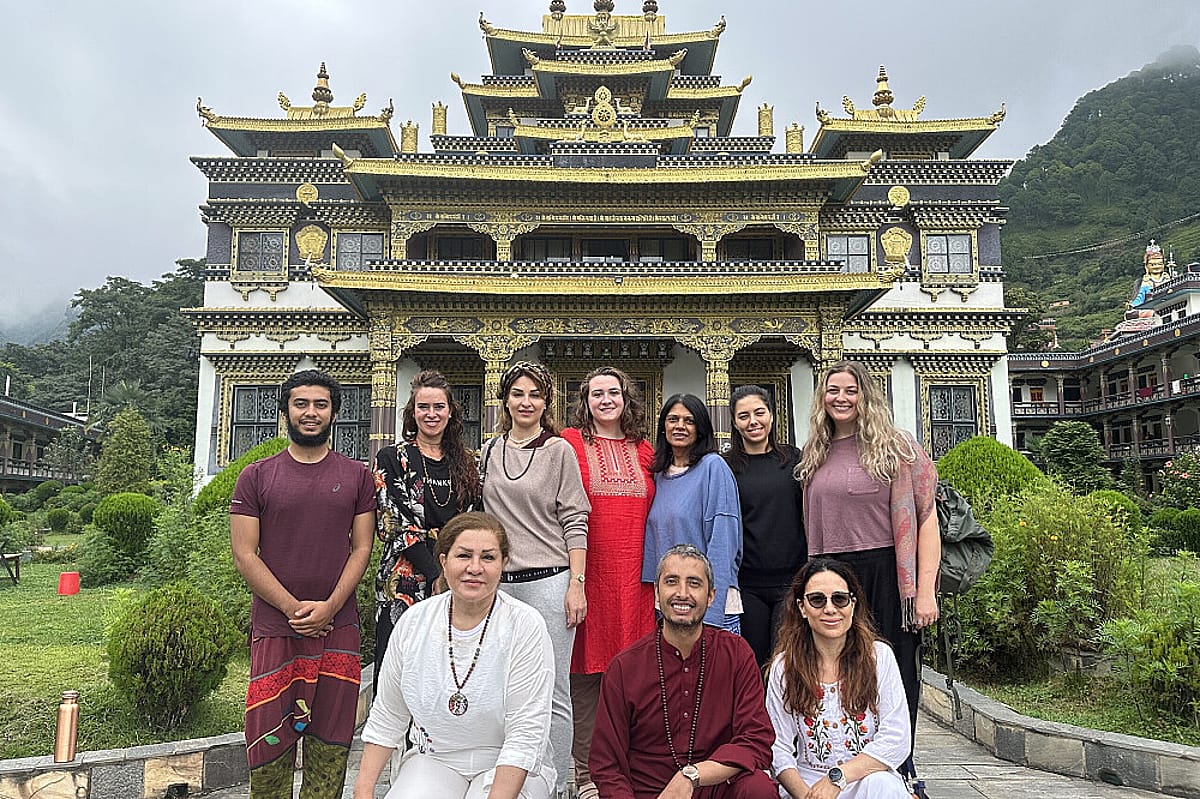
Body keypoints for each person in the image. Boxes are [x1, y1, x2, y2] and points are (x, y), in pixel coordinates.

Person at [230, 369, 377, 798]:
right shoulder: (256, 476)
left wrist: (330, 606)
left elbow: (362, 548)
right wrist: (294, 608)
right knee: (269, 746)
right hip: (277, 630)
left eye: (320, 404)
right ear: (285, 411)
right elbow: (244, 553)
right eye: (301, 404)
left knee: (330, 745)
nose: (310, 413)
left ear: (334, 412)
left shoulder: (356, 476)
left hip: (339, 628)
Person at [794, 361, 939, 778]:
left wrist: (925, 592)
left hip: (886, 572)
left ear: (866, 395)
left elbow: (927, 520)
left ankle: (902, 767)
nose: (841, 398)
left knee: (893, 671)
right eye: (832, 390)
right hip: (831, 577)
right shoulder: (814, 455)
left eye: (850, 390)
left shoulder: (899, 448)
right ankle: (843, 767)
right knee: (838, 671)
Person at [354, 512, 557, 799]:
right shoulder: (413, 622)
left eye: (488, 557)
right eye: (463, 556)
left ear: (504, 564)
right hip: (435, 758)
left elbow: (526, 733)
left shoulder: (526, 626)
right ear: (443, 562)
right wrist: (363, 790)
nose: (475, 568)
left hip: (506, 764)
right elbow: (388, 714)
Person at [480, 361, 591, 798]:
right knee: (502, 682)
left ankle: (555, 781)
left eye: (535, 395)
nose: (526, 403)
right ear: (505, 399)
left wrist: (576, 583)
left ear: (546, 402)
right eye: (518, 394)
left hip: (549, 578)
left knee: (552, 687)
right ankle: (508, 780)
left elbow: (575, 518)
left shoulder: (558, 450)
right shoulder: (490, 450)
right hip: (499, 584)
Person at [590, 545, 777, 799]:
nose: (682, 593)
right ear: (656, 593)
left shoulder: (736, 655)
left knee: (758, 788)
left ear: (711, 596)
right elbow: (606, 765)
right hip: (650, 794)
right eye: (671, 581)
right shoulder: (625, 668)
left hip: (714, 786)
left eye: (694, 583)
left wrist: (692, 776)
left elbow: (756, 740)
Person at [562, 366, 657, 799]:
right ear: (585, 401)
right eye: (596, 393)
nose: (605, 400)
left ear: (626, 399)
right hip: (587, 576)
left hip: (636, 581)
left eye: (613, 392)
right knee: (585, 677)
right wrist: (573, 580)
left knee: (634, 678)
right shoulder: (570, 443)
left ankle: (631, 766)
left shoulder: (645, 450)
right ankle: (587, 773)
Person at [766, 559, 912, 799]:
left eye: (840, 599)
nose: (830, 609)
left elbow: (896, 737)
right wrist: (805, 795)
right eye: (817, 600)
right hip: (807, 783)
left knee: (884, 786)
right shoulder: (785, 666)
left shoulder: (879, 657)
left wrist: (838, 778)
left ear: (853, 605)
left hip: (866, 777)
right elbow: (777, 745)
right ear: (802, 607)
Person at [373, 370, 479, 687]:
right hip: (405, 577)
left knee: (448, 672)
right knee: (399, 669)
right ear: (412, 412)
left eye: (438, 407)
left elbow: (474, 518)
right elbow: (394, 521)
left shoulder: (467, 461)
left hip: (459, 576)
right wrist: (436, 573)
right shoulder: (392, 458)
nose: (431, 415)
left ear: (450, 412)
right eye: (423, 407)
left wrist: (451, 572)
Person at [643, 393, 743, 633]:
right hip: (671, 607)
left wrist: (711, 610)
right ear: (663, 426)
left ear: (701, 428)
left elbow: (723, 543)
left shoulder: (713, 468)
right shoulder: (658, 474)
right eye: (673, 419)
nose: (680, 426)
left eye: (689, 420)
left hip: (707, 608)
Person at [725, 385, 806, 667]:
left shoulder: (794, 460)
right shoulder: (728, 467)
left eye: (759, 413)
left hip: (792, 580)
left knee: (787, 660)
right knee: (754, 661)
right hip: (748, 582)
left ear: (771, 415)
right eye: (744, 416)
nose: (753, 422)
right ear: (734, 422)